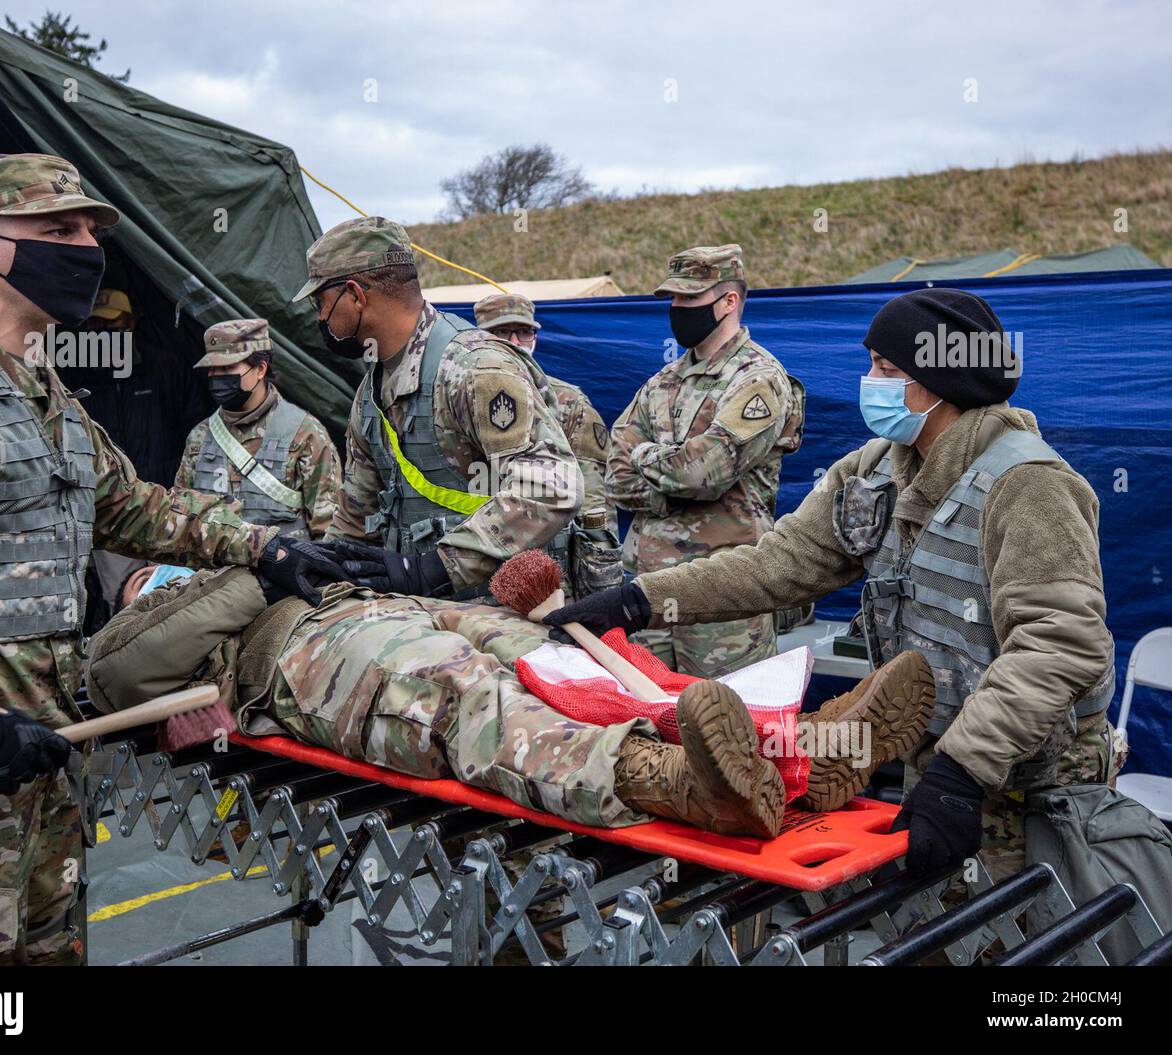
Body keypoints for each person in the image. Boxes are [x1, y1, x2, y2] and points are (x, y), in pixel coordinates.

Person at [0, 152, 340, 966]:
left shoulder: (48, 393)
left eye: (91, 229)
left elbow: (132, 504)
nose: (87, 247)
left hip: (47, 772)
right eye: (61, 229)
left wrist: (269, 545)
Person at [546, 288, 1121, 881]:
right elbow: (781, 562)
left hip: (1034, 785)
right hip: (946, 762)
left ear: (939, 382)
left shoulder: (1030, 485)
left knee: (1031, 948)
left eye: (886, 368)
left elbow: (1060, 644)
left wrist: (963, 771)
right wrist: (641, 601)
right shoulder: (877, 470)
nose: (868, 380)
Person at [90, 564, 935, 838]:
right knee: (474, 707)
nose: (163, 584)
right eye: (149, 580)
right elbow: (124, 673)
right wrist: (246, 567)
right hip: (317, 658)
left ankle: (798, 749)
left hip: (382, 609)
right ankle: (680, 781)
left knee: (564, 665)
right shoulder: (146, 627)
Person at [298, 217, 583, 599]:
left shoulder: (474, 368)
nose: (319, 317)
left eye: (321, 303)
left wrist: (437, 567)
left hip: (507, 615)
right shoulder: (371, 393)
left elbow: (552, 487)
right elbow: (357, 514)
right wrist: (319, 568)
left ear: (355, 294)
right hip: (425, 617)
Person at [607, 245, 804, 677]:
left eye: (689, 299)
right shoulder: (662, 381)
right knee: (649, 729)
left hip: (723, 600)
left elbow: (702, 474)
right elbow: (615, 475)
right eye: (674, 300)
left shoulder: (758, 379)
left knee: (730, 728)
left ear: (728, 301)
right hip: (650, 596)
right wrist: (667, 487)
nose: (677, 309)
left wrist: (646, 456)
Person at [473, 292, 623, 597]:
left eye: (525, 332)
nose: (515, 342)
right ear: (479, 338)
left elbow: (594, 503)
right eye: (502, 332)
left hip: (551, 572)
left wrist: (600, 584)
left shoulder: (568, 403)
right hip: (477, 561)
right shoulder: (460, 397)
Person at [175, 318, 340, 540]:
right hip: (210, 573)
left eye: (227, 367)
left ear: (260, 369)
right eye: (212, 369)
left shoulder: (304, 433)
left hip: (279, 571)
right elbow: (180, 517)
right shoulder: (201, 436)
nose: (216, 376)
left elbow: (328, 529)